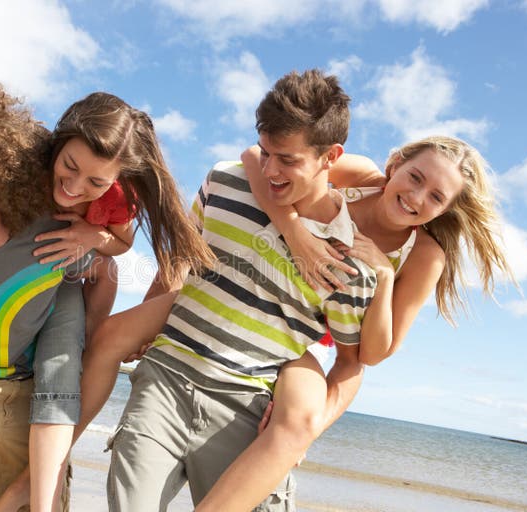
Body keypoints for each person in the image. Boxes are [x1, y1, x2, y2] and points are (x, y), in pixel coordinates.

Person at [0, 91, 214, 511]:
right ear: (57, 145)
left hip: (67, 275)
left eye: (95, 182)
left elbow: (121, 244)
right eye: (68, 168)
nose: (74, 188)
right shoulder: (23, 166)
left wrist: (92, 236)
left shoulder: (117, 196)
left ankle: (80, 353)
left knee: (105, 273)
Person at [95, 69, 394, 511]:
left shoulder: (349, 258)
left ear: (331, 156)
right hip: (165, 381)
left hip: (247, 411)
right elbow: (182, 257)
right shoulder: (226, 180)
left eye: (288, 160)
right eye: (267, 152)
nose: (271, 169)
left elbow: (353, 362)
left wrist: (303, 429)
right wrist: (149, 322)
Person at [194, 135, 518, 509]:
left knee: (300, 423)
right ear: (394, 164)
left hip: (331, 346)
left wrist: (383, 275)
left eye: (436, 197)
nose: (417, 197)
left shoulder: (426, 256)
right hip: (282, 312)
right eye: (415, 178)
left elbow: (374, 353)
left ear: (445, 210)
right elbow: (254, 156)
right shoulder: (361, 176)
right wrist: (294, 230)